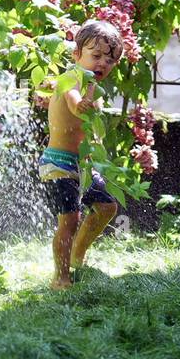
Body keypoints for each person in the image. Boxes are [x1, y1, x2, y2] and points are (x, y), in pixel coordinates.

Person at [38, 19, 122, 290]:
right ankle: (60, 277)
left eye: (108, 61)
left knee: (107, 207)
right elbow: (74, 103)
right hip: (58, 162)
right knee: (69, 219)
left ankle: (77, 253)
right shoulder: (69, 78)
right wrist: (81, 103)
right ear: (77, 55)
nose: (101, 64)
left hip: (82, 164)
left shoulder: (94, 88)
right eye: (95, 56)